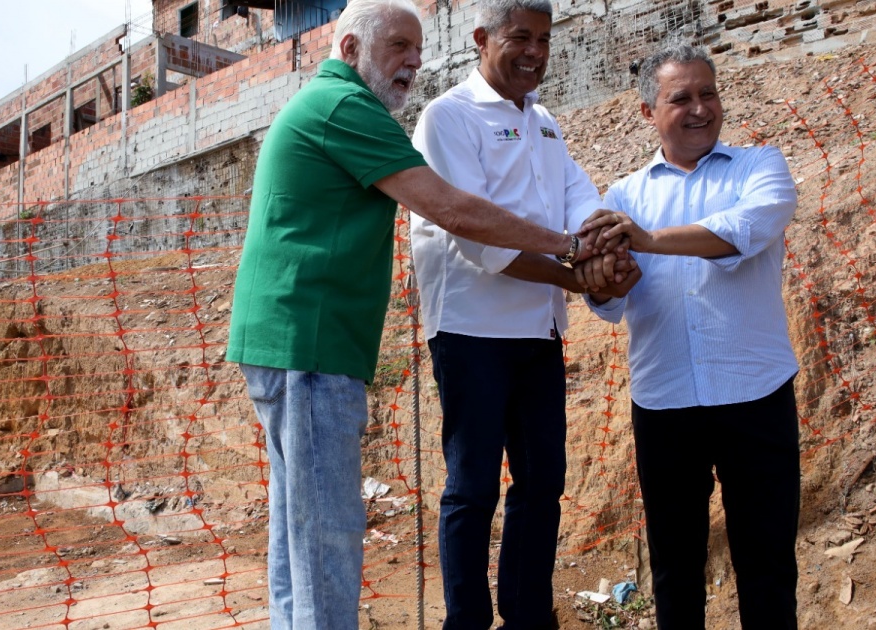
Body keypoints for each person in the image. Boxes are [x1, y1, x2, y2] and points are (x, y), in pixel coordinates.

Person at [225, 0, 616, 626]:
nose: (414, 61)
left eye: (418, 48)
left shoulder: (344, 106)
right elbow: (456, 213)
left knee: (300, 530)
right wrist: (573, 252)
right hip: (314, 341)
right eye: (399, 47)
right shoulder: (349, 107)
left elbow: (571, 192)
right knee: (327, 532)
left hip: (307, 341)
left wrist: (593, 239)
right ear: (351, 50)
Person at [408, 0, 638, 627]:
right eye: (520, 38)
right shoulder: (449, 118)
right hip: (471, 331)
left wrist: (599, 242)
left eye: (544, 38)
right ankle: (467, 620)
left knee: (541, 484)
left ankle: (529, 615)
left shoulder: (545, 122)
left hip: (539, 330)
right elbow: (485, 245)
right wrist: (577, 267)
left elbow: (577, 198)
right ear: (482, 38)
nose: (535, 51)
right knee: (473, 486)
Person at [578, 44, 800, 630]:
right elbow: (607, 305)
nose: (700, 108)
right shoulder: (624, 196)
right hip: (666, 401)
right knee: (675, 568)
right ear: (648, 111)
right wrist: (602, 281)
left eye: (709, 93)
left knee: (768, 561)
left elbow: (742, 230)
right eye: (681, 98)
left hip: (755, 394)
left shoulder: (760, 167)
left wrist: (646, 242)